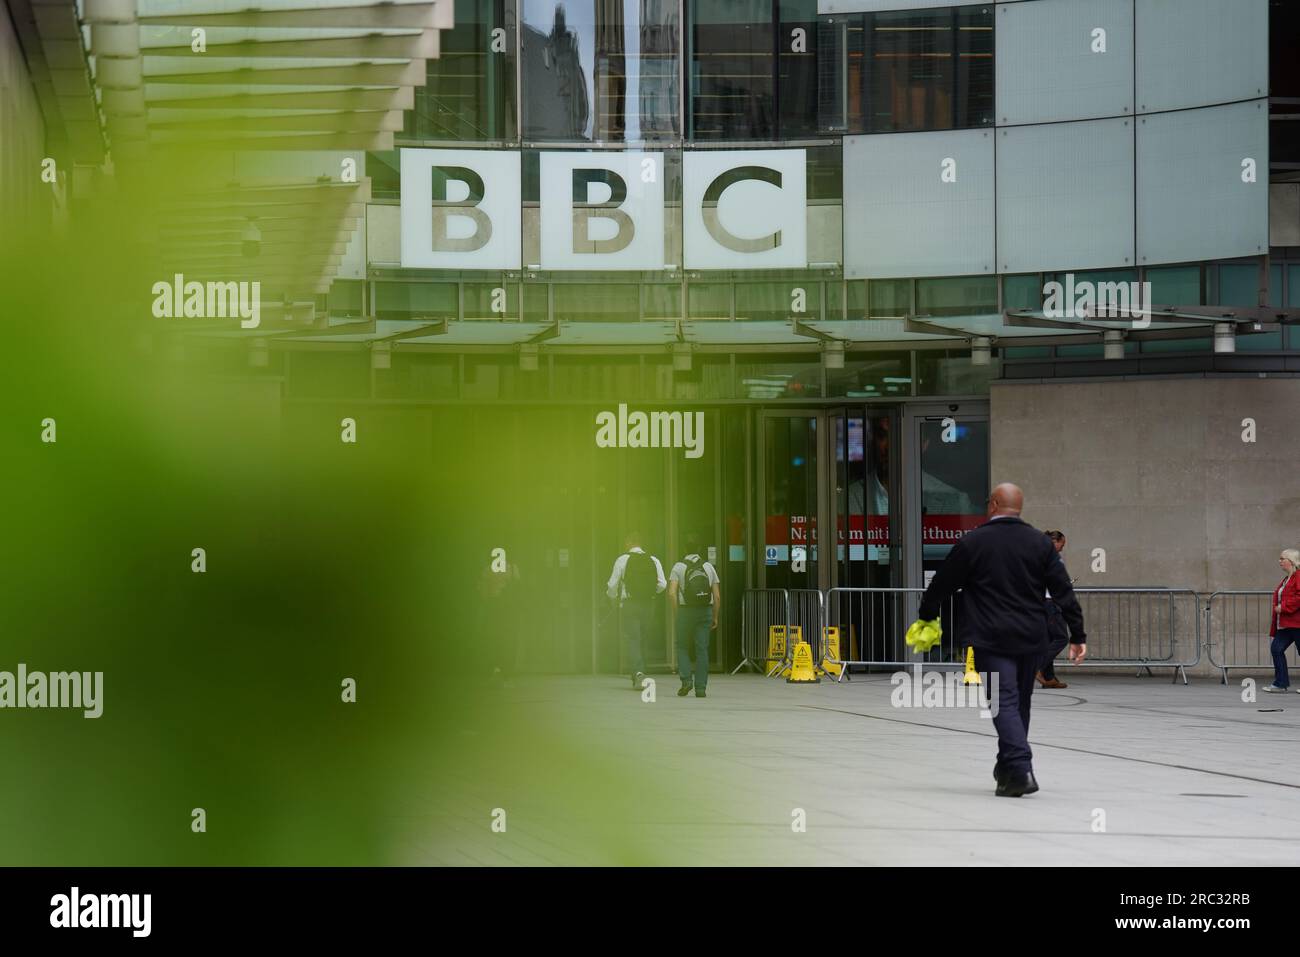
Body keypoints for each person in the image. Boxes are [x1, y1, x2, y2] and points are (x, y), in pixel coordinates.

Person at [913, 483, 1087, 797]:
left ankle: (1021, 767)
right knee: (1019, 702)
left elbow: (941, 585)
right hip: (1031, 637)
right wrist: (1078, 634)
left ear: (993, 504)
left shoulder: (973, 542)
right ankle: (1007, 768)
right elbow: (1063, 591)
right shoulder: (1040, 544)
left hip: (990, 637)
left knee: (1003, 701)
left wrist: (927, 616)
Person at [606, 532, 666, 689]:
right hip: (648, 604)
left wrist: (613, 598)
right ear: (641, 543)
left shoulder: (623, 559)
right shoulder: (653, 560)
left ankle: (638, 672)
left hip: (630, 604)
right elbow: (662, 584)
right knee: (643, 638)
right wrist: (650, 593)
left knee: (633, 639)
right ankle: (640, 671)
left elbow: (612, 585)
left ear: (628, 543)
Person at [667, 536, 721, 699]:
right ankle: (701, 688)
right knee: (702, 649)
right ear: (699, 550)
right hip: (704, 611)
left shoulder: (678, 566)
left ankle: (686, 681)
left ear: (685, 549)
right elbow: (717, 596)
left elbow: (671, 593)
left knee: (682, 646)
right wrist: (715, 616)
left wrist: (677, 614)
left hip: (685, 611)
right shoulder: (708, 566)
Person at [1037, 530, 1082, 689]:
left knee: (1049, 639)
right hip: (1051, 603)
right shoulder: (1053, 559)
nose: (1062, 548)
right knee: (1061, 638)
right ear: (1054, 542)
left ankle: (1049, 678)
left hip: (1041, 603)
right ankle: (1037, 667)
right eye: (1061, 544)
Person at [1262, 548, 1300, 693]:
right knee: (1276, 649)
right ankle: (1281, 683)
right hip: (1287, 624)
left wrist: (1283, 607)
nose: (1279, 561)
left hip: (1297, 623)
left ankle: (1280, 682)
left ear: (1290, 561)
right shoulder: (1287, 579)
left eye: (1282, 558)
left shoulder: (1298, 576)